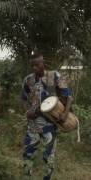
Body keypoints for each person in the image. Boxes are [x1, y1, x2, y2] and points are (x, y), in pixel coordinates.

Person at [21, 52, 73, 180]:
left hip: (50, 124)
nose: (34, 68)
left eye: (37, 65)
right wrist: (27, 111)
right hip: (33, 124)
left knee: (48, 156)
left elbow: (69, 97)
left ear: (43, 63)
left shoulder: (55, 76)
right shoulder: (28, 80)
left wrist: (65, 114)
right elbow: (22, 98)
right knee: (28, 153)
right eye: (32, 66)